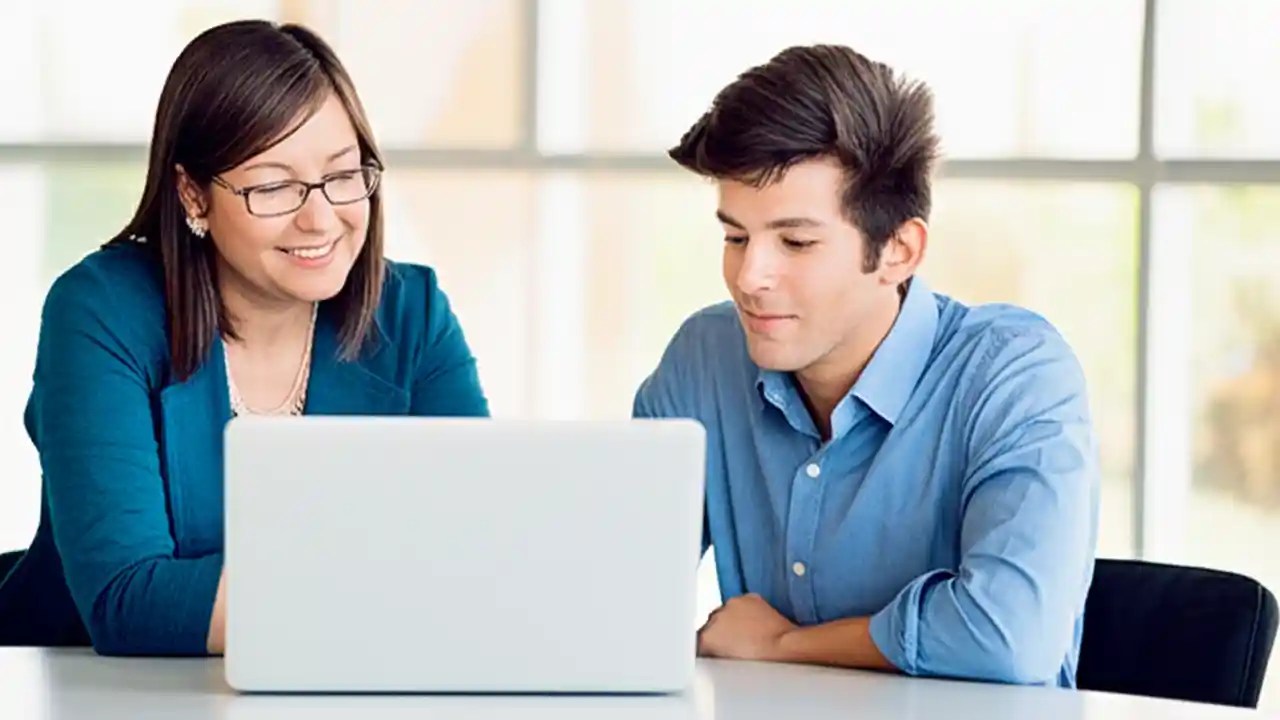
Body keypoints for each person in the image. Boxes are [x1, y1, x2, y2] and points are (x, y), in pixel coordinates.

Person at [0, 20, 488, 656]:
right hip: (84, 686)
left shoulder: (412, 314)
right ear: (192, 196)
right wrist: (400, 595)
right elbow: (130, 601)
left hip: (336, 689)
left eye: (343, 176)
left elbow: (481, 547)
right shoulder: (100, 311)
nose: (320, 218)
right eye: (274, 186)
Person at [634, 45, 1098, 687]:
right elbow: (615, 589)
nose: (750, 276)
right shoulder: (703, 359)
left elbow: (1007, 637)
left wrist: (784, 644)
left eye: (795, 242)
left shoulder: (1015, 375)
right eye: (735, 236)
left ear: (898, 251)